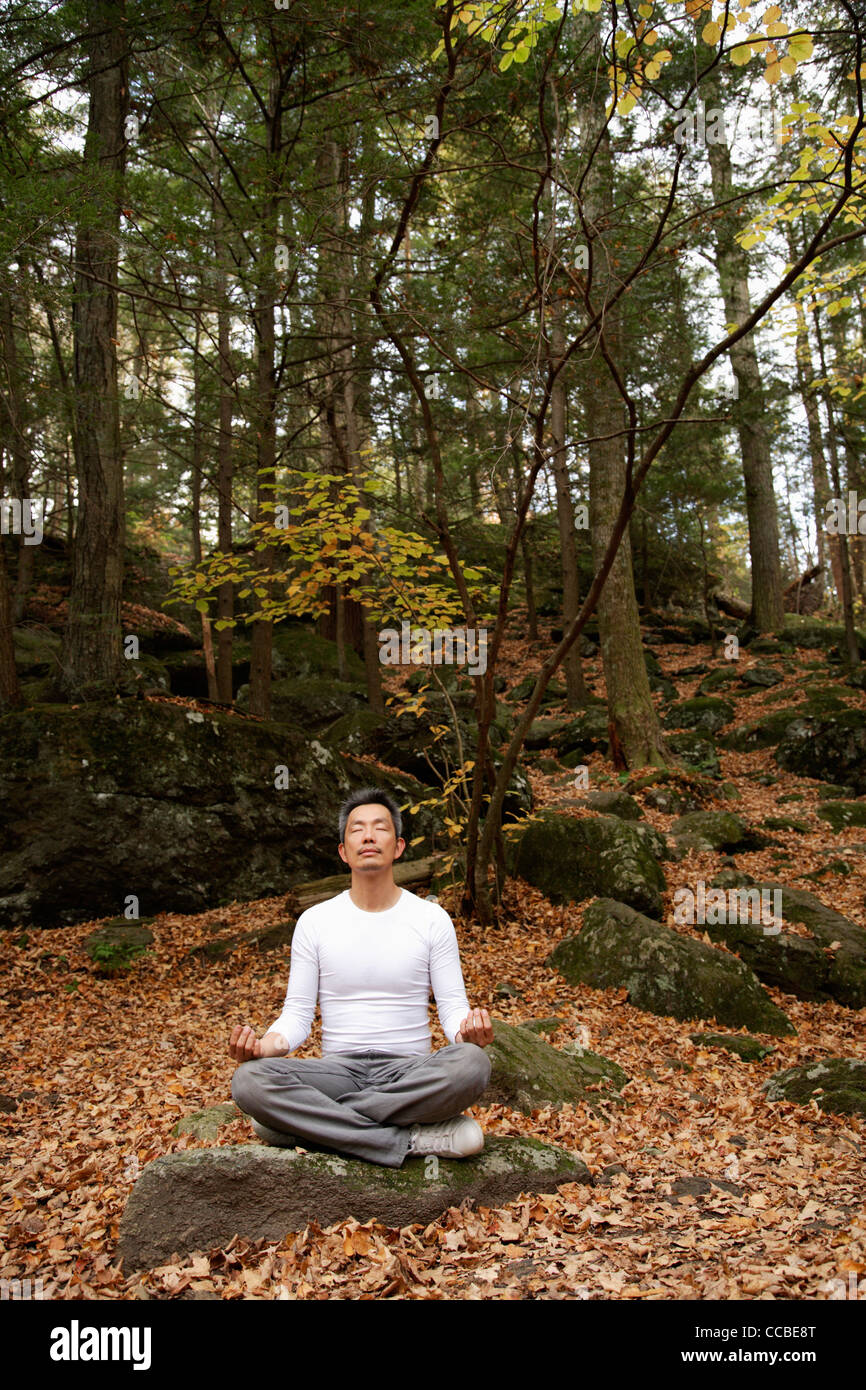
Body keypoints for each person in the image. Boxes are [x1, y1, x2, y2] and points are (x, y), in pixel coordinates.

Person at [229, 787, 493, 1168]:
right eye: (357, 830)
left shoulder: (432, 919)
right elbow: (297, 1015)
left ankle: (310, 1125)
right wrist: (264, 1048)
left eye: (379, 828)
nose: (369, 836)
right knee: (249, 1081)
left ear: (398, 846)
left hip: (409, 1071)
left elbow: (454, 1009)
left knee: (472, 1064)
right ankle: (410, 1138)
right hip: (338, 1071)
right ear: (343, 851)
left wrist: (467, 1034)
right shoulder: (315, 922)